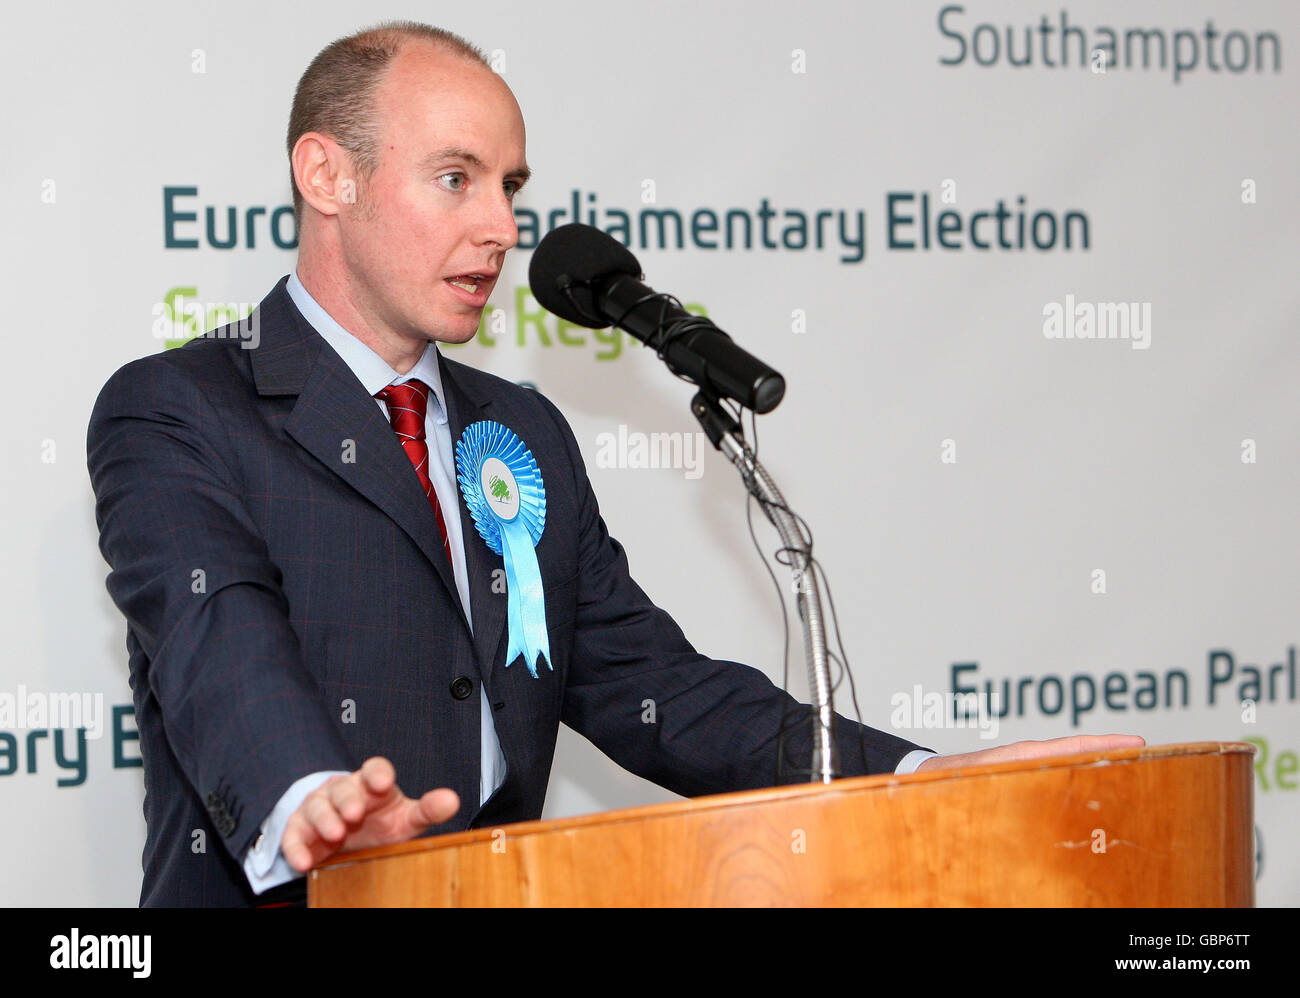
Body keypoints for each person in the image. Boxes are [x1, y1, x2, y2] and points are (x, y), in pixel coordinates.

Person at [87, 21, 1142, 907]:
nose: (500, 227)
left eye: (509, 185)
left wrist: (917, 778)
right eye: (455, 178)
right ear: (328, 174)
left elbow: (653, 688)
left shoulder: (522, 430)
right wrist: (312, 796)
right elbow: (217, 636)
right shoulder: (181, 407)